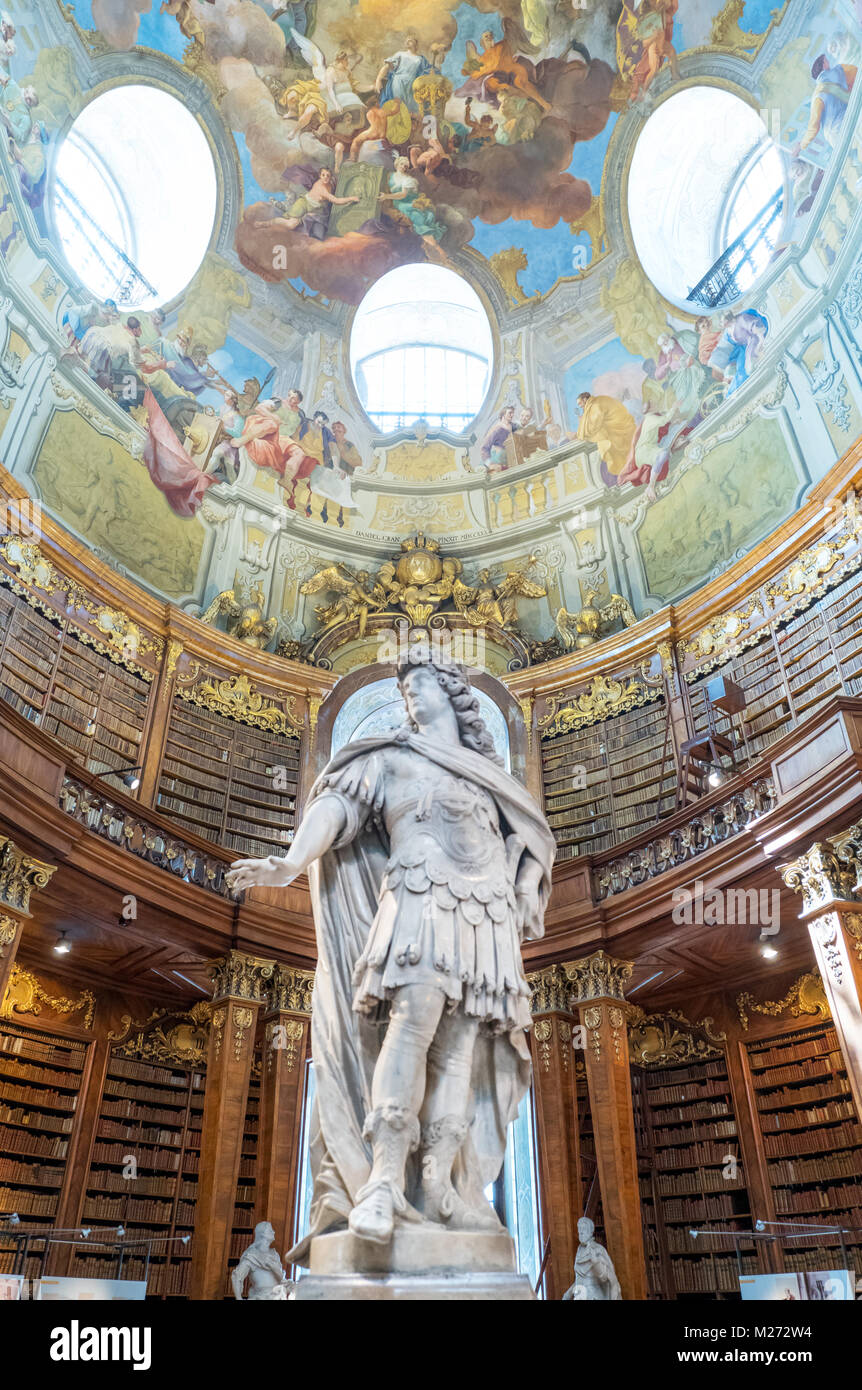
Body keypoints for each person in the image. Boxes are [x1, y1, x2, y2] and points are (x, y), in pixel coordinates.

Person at [227, 648, 554, 1251]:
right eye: (402, 690)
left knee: (460, 1050)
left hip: (485, 911)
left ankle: (439, 1185)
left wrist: (529, 884)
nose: (409, 697)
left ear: (453, 692)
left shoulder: (487, 774)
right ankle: (382, 1179)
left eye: (419, 684)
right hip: (420, 891)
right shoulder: (388, 758)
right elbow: (337, 806)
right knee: (411, 1023)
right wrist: (292, 861)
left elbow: (531, 835)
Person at [794, 53, 857, 156]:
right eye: (826, 60)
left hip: (836, 136)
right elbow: (857, 75)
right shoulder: (840, 70)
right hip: (851, 119)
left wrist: (801, 145)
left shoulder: (817, 95)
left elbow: (814, 126)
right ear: (824, 64)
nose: (829, 62)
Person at [576, 391, 637, 484]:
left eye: (580, 403)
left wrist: (582, 431)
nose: (580, 406)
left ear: (585, 399)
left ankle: (623, 476)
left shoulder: (595, 405)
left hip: (618, 430)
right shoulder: (597, 400)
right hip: (619, 428)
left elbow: (594, 425)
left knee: (605, 446)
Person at [231, 1221, 292, 1301]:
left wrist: (273, 1267)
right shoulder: (252, 1255)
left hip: (278, 1295)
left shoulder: (274, 1254)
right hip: (261, 1296)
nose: (273, 1232)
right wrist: (239, 1298)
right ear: (263, 1234)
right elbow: (237, 1277)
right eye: (270, 1230)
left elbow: (281, 1279)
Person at [376, 36, 430, 114]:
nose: (407, 42)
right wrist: (378, 79)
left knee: (411, 108)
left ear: (416, 44)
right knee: (398, 106)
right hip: (398, 82)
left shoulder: (420, 59)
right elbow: (387, 66)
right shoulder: (400, 54)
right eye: (406, 41)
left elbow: (425, 73)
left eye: (410, 41)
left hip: (411, 85)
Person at [480, 404, 517, 471]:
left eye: (513, 413)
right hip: (500, 460)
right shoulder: (496, 429)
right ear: (503, 414)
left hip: (512, 460)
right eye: (510, 413)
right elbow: (484, 447)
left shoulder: (513, 426)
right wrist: (490, 464)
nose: (512, 415)